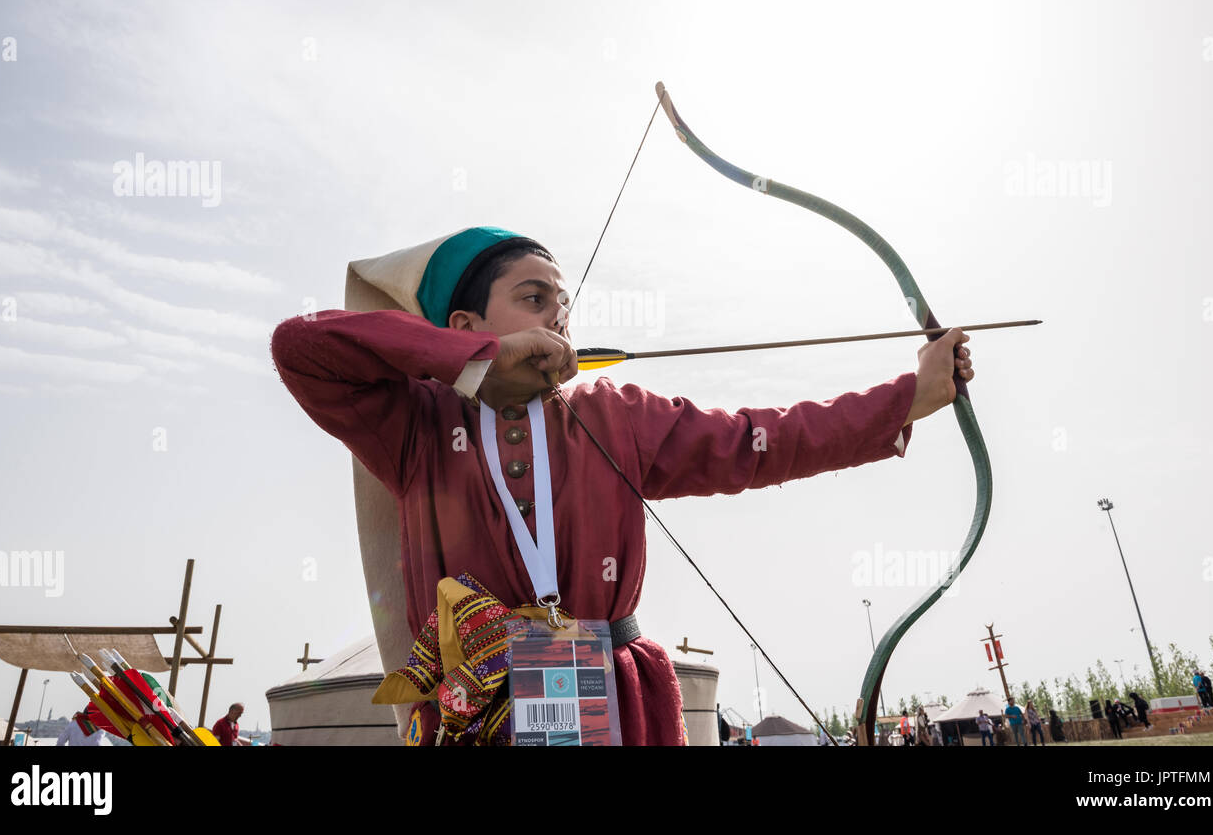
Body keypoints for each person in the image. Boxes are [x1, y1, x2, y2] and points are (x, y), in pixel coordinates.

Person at [270, 227, 976, 745]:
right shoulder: (417, 423)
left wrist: (910, 394)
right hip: (475, 707)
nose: (558, 317)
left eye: (563, 305)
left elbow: (764, 439)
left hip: (612, 698)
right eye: (533, 298)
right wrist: (477, 363)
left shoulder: (615, 415)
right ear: (465, 325)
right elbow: (300, 346)